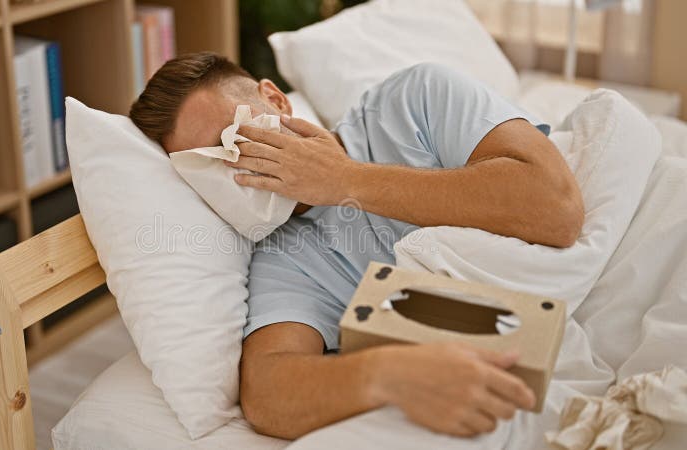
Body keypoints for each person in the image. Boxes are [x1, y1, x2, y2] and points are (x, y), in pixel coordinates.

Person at [129, 52, 584, 440]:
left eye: (236, 138)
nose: (239, 165)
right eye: (211, 167)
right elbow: (268, 394)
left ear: (275, 99)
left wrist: (344, 179)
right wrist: (388, 374)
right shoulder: (286, 259)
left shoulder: (414, 100)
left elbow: (557, 208)